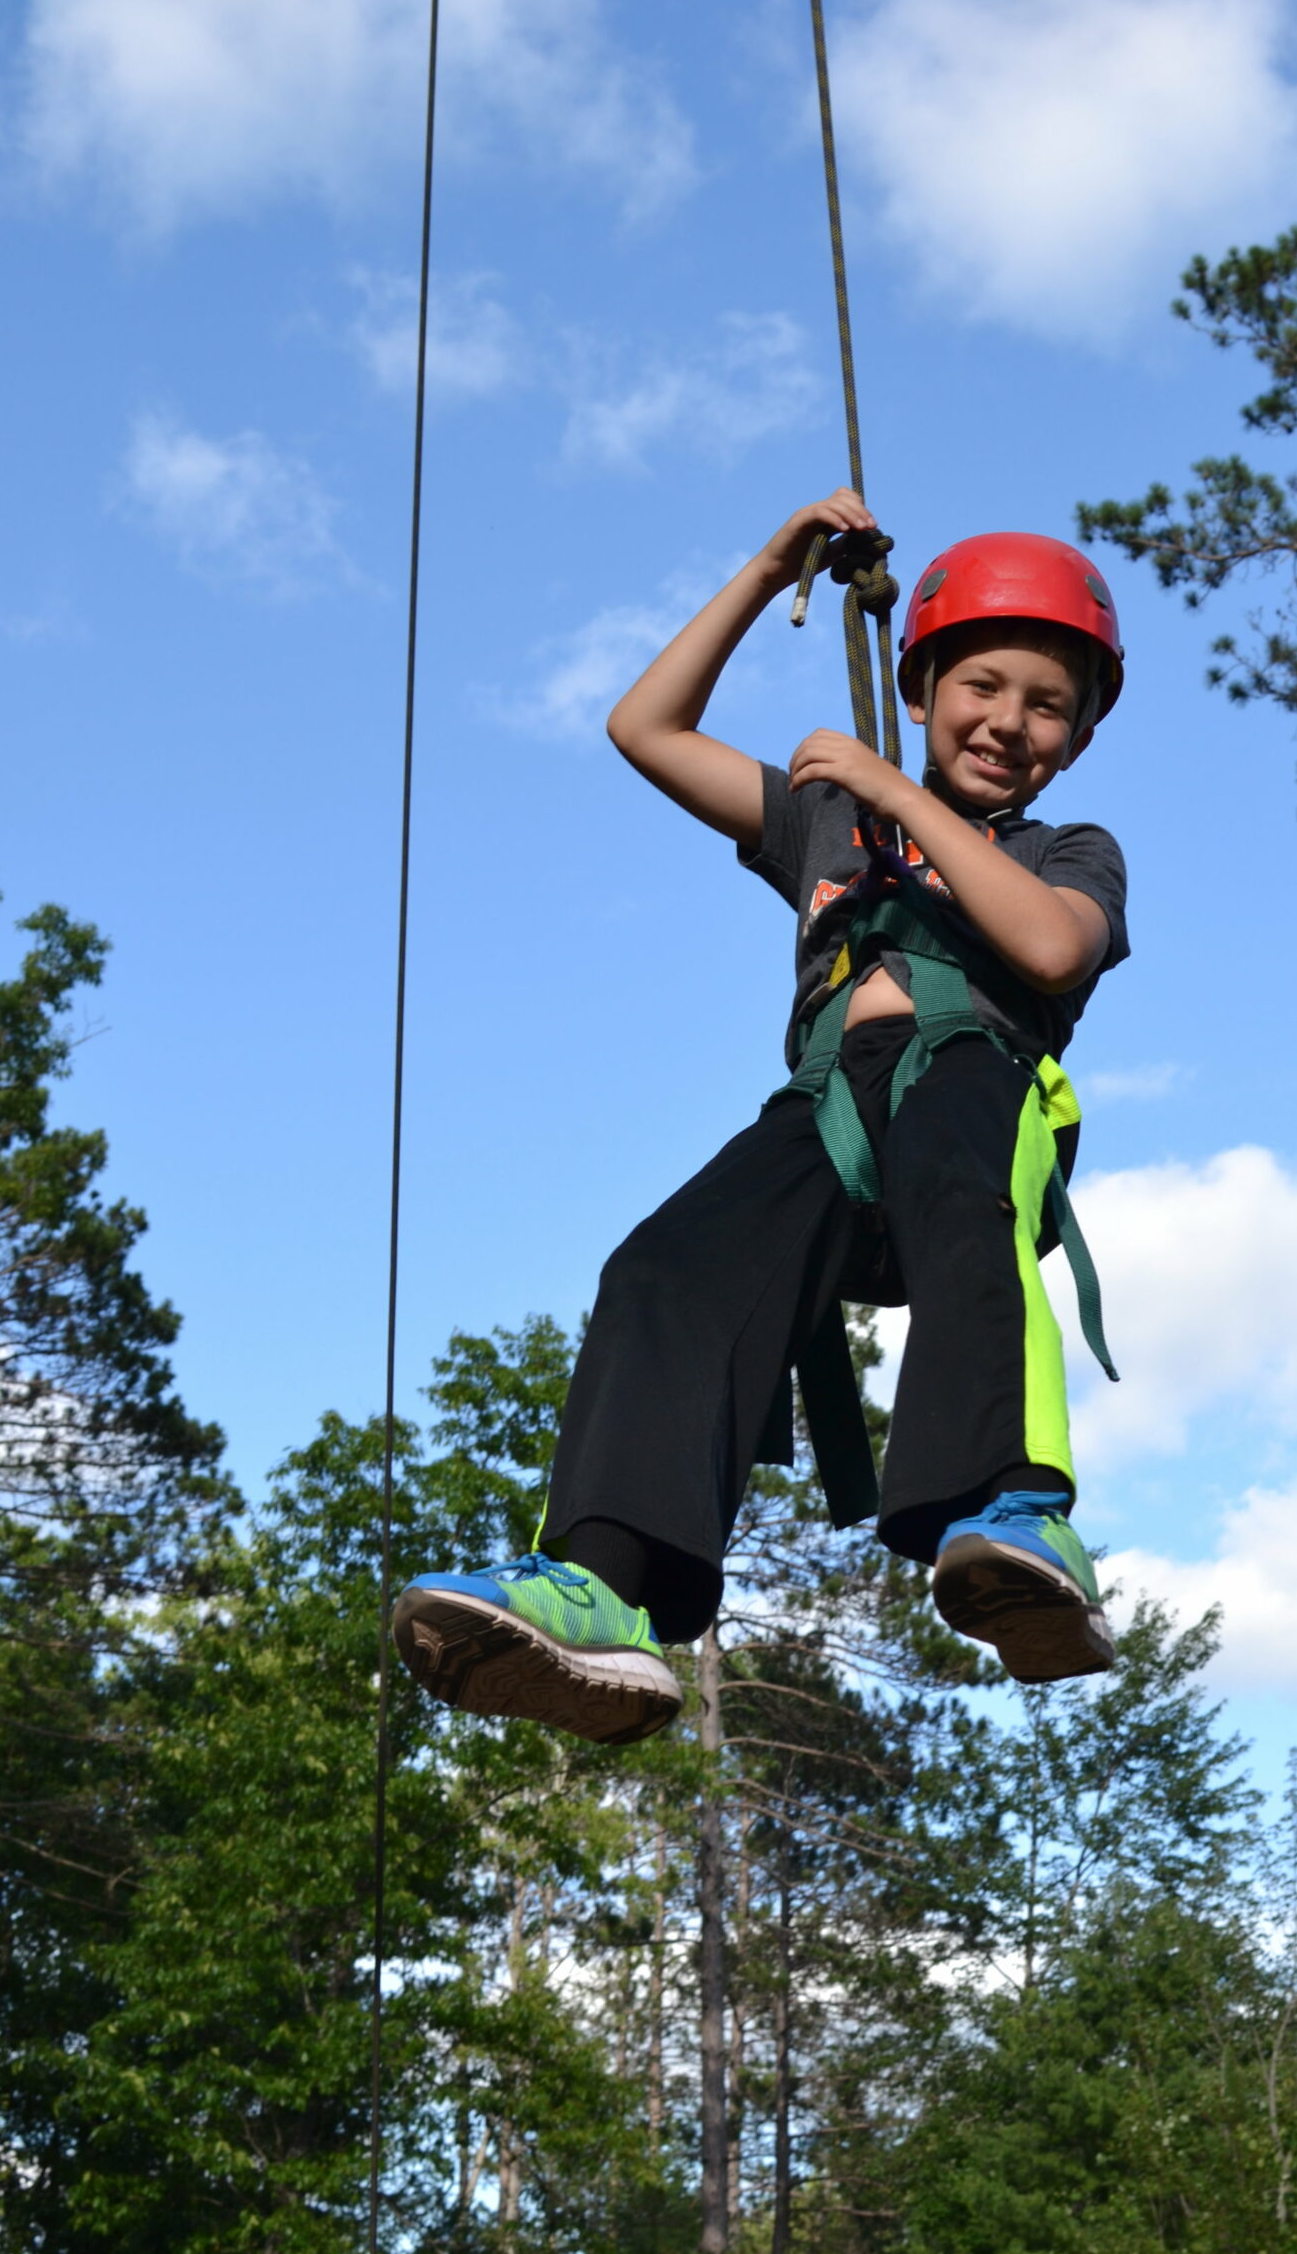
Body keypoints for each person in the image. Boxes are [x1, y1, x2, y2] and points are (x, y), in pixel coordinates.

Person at [392, 489, 1130, 1745]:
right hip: (827, 1109)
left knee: (967, 1193)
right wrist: (770, 566)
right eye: (981, 685)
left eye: (1047, 704)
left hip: (968, 1079)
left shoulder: (1068, 848)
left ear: (1079, 733)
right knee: (665, 1265)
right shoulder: (828, 824)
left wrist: (899, 795)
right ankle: (604, 1585)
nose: (1009, 720)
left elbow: (1055, 950)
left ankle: (1014, 1514)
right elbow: (645, 727)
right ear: (920, 687)